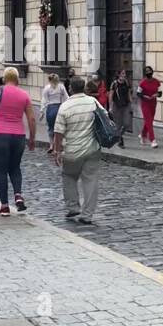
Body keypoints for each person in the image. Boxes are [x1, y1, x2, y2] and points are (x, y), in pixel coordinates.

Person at [0, 67, 36, 217]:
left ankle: (4, 206)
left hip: (0, 134)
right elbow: (31, 118)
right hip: (19, 136)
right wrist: (32, 138)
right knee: (15, 168)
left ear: (4, 78)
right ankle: (18, 195)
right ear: (17, 79)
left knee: (1, 170)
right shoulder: (24, 95)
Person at [51, 78, 102, 226]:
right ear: (84, 88)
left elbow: (58, 132)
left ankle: (73, 206)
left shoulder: (65, 107)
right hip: (92, 148)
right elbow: (104, 116)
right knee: (91, 181)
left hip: (72, 150)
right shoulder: (93, 102)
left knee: (69, 176)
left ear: (71, 89)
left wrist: (57, 151)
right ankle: (87, 215)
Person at [41, 73, 69, 154]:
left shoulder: (47, 88)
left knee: (50, 128)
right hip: (59, 108)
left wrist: (42, 111)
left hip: (50, 109)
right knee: (60, 127)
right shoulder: (61, 86)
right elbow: (66, 97)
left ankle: (51, 145)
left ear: (50, 80)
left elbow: (44, 100)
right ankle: (59, 145)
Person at [137, 66, 162, 149]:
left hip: (153, 102)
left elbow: (160, 93)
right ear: (145, 73)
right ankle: (153, 140)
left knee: (149, 121)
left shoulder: (157, 82)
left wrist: (156, 94)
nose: (149, 72)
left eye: (150, 70)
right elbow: (138, 93)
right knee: (148, 120)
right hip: (145, 103)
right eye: (147, 71)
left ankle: (143, 135)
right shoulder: (142, 83)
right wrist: (144, 96)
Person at [109, 69, 133, 149]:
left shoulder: (127, 82)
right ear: (118, 74)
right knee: (118, 124)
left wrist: (131, 104)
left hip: (126, 105)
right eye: (122, 73)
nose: (124, 75)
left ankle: (119, 136)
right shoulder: (114, 84)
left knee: (126, 123)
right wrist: (110, 107)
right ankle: (120, 140)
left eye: (124, 73)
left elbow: (129, 94)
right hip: (117, 106)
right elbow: (111, 96)